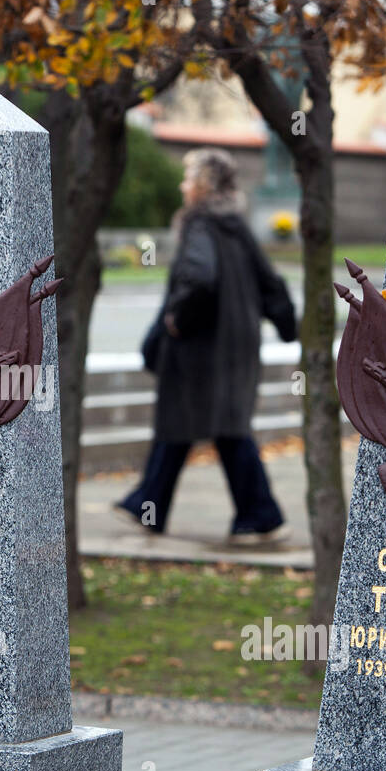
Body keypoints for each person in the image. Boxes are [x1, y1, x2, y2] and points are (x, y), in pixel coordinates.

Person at [119, 148, 297, 546]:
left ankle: (259, 514)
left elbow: (200, 278)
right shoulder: (236, 227)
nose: (183, 186)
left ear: (202, 186)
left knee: (218, 429)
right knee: (200, 427)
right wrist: (288, 326)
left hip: (199, 352)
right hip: (236, 348)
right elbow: (271, 284)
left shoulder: (198, 225)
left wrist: (176, 319)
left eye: (187, 178)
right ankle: (149, 504)